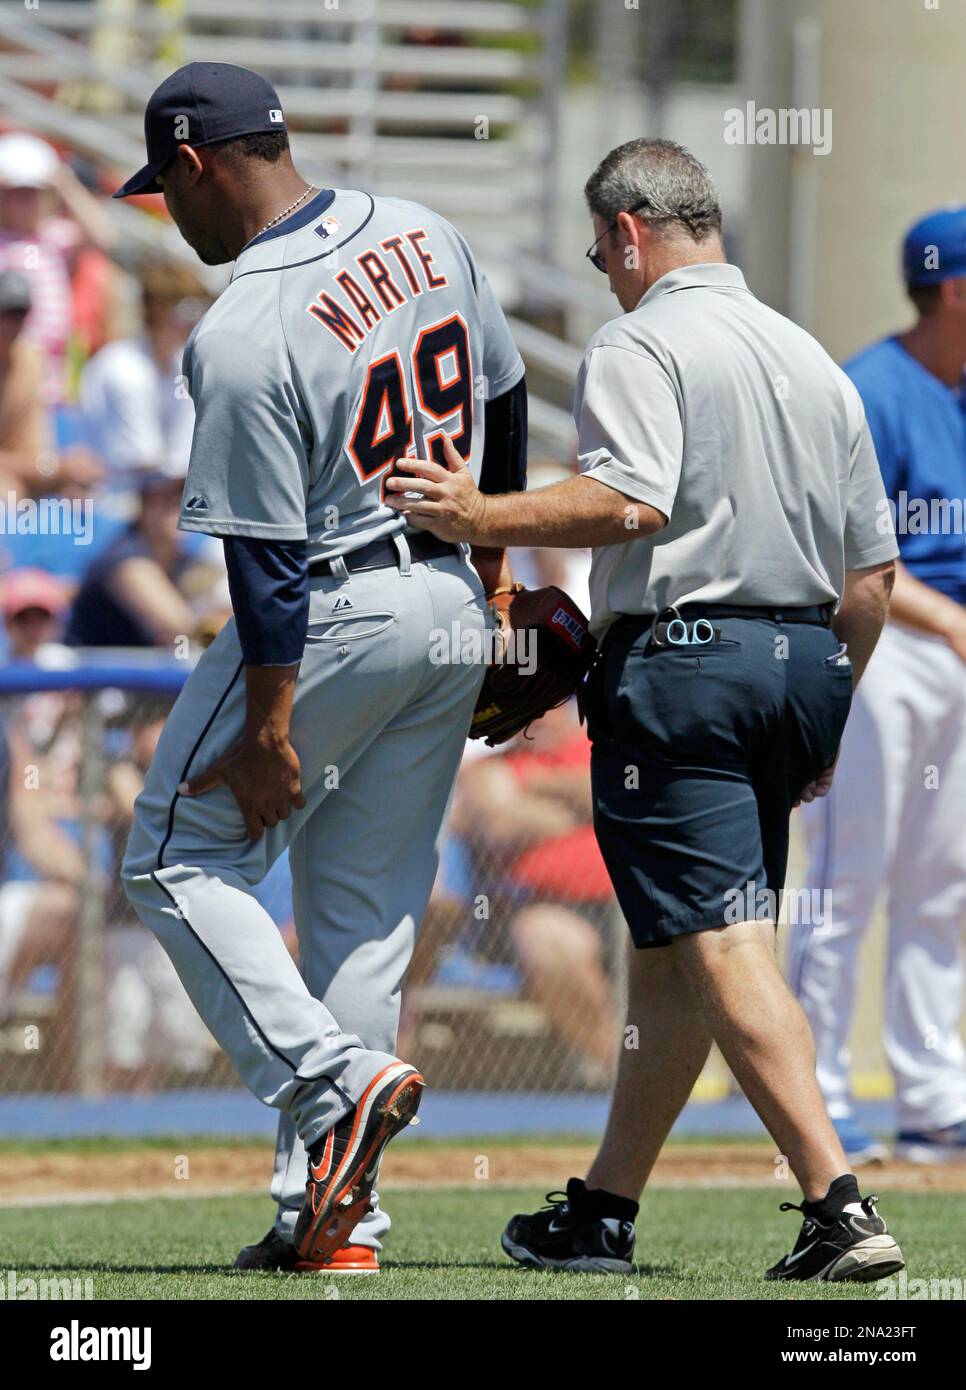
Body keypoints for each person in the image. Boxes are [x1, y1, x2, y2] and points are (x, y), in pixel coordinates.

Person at [386, 137, 903, 1282]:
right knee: (674, 951)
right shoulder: (815, 358)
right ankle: (604, 1210)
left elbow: (629, 502)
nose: (605, 273)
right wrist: (823, 706)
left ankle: (838, 1202)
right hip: (803, 658)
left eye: (600, 250)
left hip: (682, 662)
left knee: (718, 939)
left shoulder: (640, 338)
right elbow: (874, 578)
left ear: (627, 232)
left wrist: (478, 513)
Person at [113, 62, 527, 1274]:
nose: (166, 213)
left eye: (165, 188)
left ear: (197, 164)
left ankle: (330, 1081)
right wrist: (493, 577)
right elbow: (503, 395)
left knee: (173, 857)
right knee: (361, 918)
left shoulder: (243, 327)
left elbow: (266, 562)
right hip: (448, 596)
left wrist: (270, 726)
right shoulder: (422, 228)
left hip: (334, 606)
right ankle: (332, 1217)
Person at [793, 207, 966, 1166]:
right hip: (885, 642)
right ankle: (815, 1092)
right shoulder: (872, 388)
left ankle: (933, 1091)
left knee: (944, 881)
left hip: (956, 655)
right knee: (846, 875)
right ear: (953, 288)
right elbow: (852, 559)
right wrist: (945, 622)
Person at [80, 258, 209, 499]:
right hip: (112, 504)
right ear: (156, 313)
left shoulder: (184, 365)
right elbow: (146, 468)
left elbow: (185, 458)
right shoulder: (123, 369)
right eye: (186, 311)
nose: (195, 321)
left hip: (161, 503)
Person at [64, 470, 219, 649]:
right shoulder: (123, 557)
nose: (176, 506)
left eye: (183, 498)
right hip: (91, 673)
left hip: (147, 672)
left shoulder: (188, 560)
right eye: (164, 499)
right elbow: (182, 627)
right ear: (143, 508)